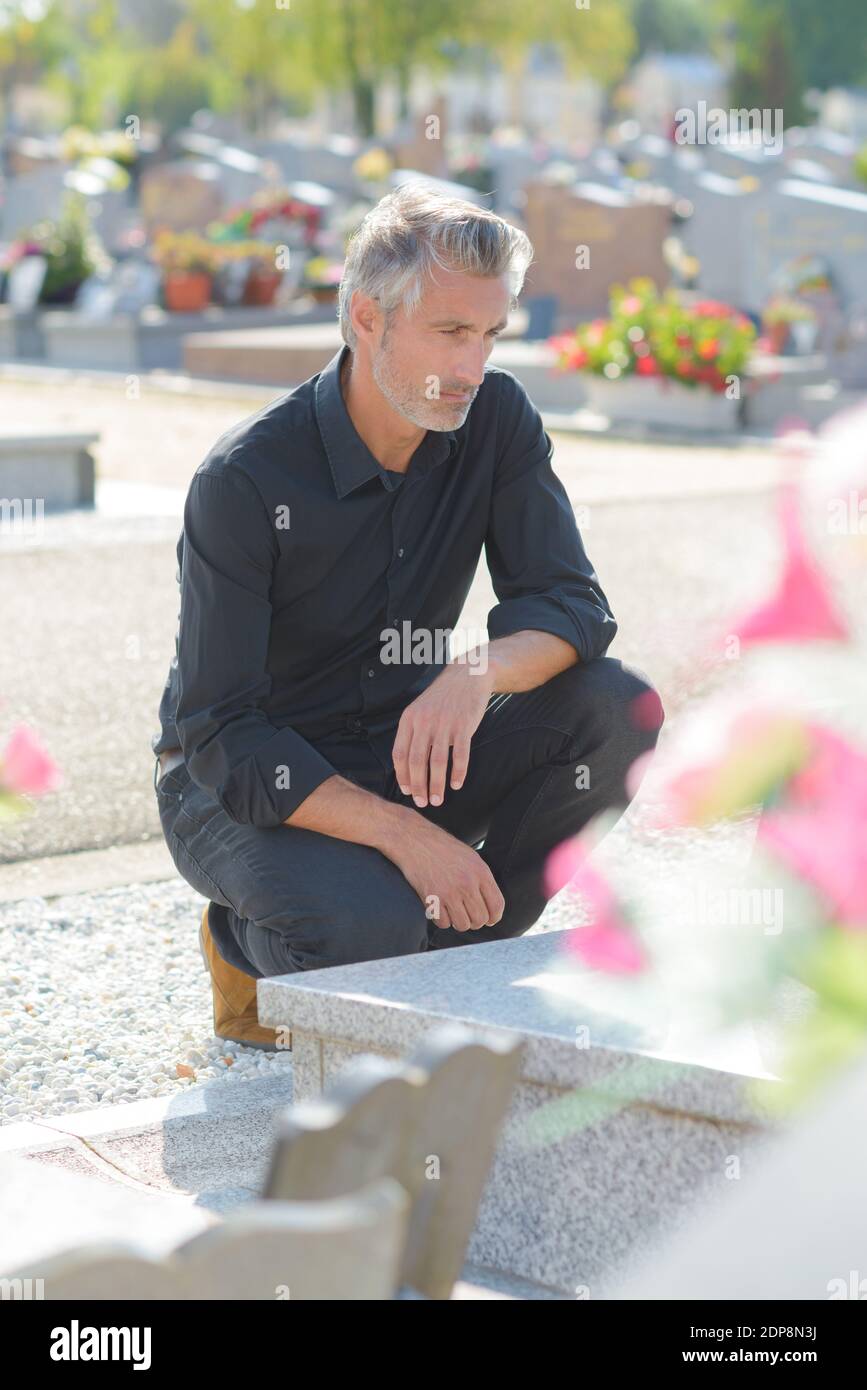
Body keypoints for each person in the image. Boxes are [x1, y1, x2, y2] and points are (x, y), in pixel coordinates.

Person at [152, 182, 663, 1050]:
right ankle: (245, 943)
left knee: (618, 711)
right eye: (451, 332)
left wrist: (478, 672)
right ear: (366, 318)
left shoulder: (494, 419)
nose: (473, 367)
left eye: (492, 334)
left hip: (408, 752)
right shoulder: (243, 480)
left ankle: (451, 956)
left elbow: (570, 603)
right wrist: (405, 838)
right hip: (245, 787)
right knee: (367, 931)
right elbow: (223, 731)